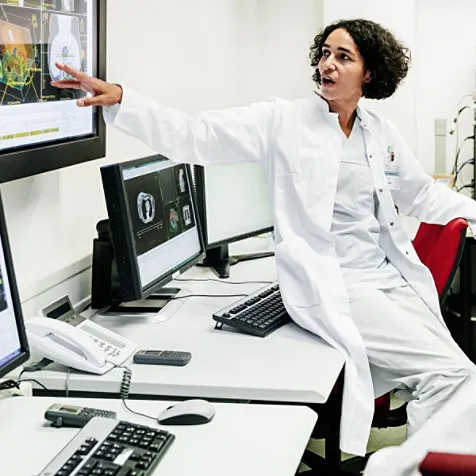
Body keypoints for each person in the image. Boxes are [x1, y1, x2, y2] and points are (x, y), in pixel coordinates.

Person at [51, 18, 476, 456]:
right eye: (324, 53)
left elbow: (421, 193)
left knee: (462, 374)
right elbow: (196, 136)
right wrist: (124, 101)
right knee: (449, 377)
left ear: (369, 74)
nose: (327, 64)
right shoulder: (283, 121)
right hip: (338, 285)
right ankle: (420, 466)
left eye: (343, 57)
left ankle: (430, 459)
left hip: (384, 278)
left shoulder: (379, 133)